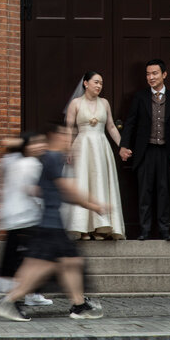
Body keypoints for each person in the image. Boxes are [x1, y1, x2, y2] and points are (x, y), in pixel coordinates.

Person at [0, 124, 106, 322]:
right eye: (65, 135)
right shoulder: (53, 158)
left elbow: (44, 190)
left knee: (70, 262)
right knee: (43, 267)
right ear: (54, 136)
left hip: (52, 223)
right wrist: (93, 204)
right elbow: (66, 190)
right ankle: (11, 301)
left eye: (69, 136)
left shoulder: (50, 159)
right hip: (50, 225)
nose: (69, 140)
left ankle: (79, 305)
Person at [119, 59, 170, 241]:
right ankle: (145, 230)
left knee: (163, 191)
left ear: (164, 75)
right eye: (148, 74)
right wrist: (124, 145)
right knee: (144, 192)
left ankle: (164, 230)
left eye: (154, 73)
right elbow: (130, 122)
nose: (150, 77)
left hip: (166, 152)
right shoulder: (139, 97)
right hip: (145, 152)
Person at [0, 133, 51, 306]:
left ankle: (28, 293)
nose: (39, 146)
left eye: (41, 143)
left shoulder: (13, 162)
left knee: (18, 257)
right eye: (34, 143)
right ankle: (19, 294)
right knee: (31, 258)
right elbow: (34, 191)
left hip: (16, 216)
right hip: (26, 217)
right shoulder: (30, 164)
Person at [65, 71, 125, 240]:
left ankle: (101, 227)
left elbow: (111, 127)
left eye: (101, 83)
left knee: (100, 183)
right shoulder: (76, 103)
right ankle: (82, 227)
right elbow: (70, 128)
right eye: (96, 82)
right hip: (82, 146)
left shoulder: (104, 103)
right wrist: (68, 149)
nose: (99, 86)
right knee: (84, 183)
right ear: (86, 83)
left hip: (100, 146)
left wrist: (122, 146)